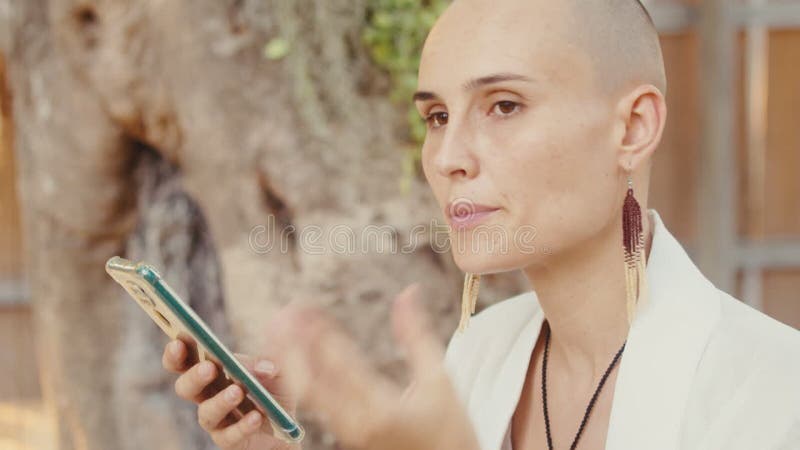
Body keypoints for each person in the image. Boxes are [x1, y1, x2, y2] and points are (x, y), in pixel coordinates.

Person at [161, 0, 800, 449]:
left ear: (632, 128)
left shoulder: (773, 396)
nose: (446, 158)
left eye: (503, 105)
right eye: (437, 116)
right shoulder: (476, 356)